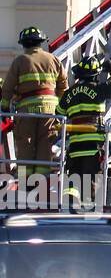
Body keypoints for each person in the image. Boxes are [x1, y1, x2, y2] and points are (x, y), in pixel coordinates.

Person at [56, 56, 111, 204]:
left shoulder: (69, 94)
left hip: (74, 149)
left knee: (72, 186)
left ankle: (69, 209)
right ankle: (88, 214)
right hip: (93, 149)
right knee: (90, 192)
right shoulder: (100, 89)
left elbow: (59, 113)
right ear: (96, 74)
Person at [2, 26, 67, 186]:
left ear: (24, 44)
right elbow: (63, 86)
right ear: (41, 42)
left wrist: (5, 106)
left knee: (26, 143)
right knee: (45, 144)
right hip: (50, 111)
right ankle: (41, 181)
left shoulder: (20, 61)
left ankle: (25, 183)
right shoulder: (53, 59)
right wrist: (58, 106)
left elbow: (8, 87)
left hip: (27, 111)